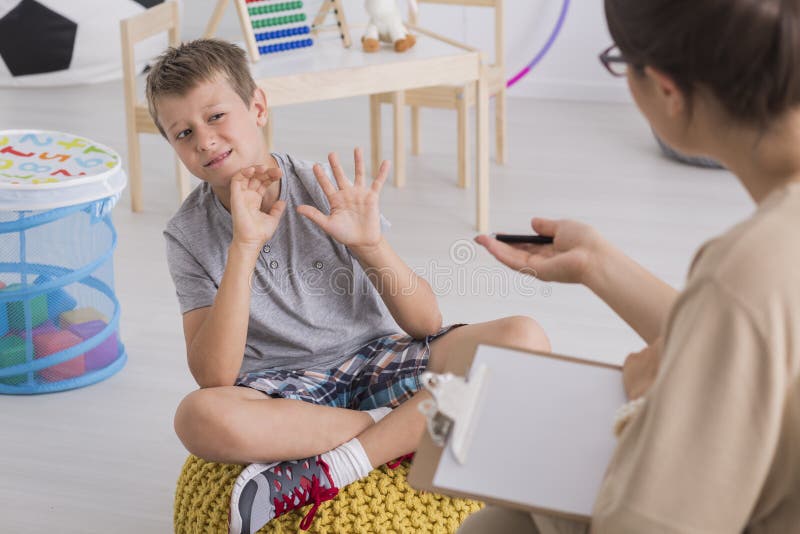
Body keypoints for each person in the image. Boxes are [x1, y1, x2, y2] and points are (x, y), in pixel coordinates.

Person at [146, 39, 550, 533]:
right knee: (197, 417)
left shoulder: (324, 188)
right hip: (285, 392)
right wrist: (243, 247)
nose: (204, 141)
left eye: (215, 117)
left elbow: (426, 323)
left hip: (377, 357)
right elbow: (214, 375)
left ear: (257, 107)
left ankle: (343, 463)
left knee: (524, 339)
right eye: (184, 132)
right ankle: (405, 426)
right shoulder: (186, 234)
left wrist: (370, 244)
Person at [461, 0, 800, 532]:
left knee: (499, 519)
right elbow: (754, 341)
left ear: (666, 90)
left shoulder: (748, 268)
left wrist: (647, 399)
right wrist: (596, 263)